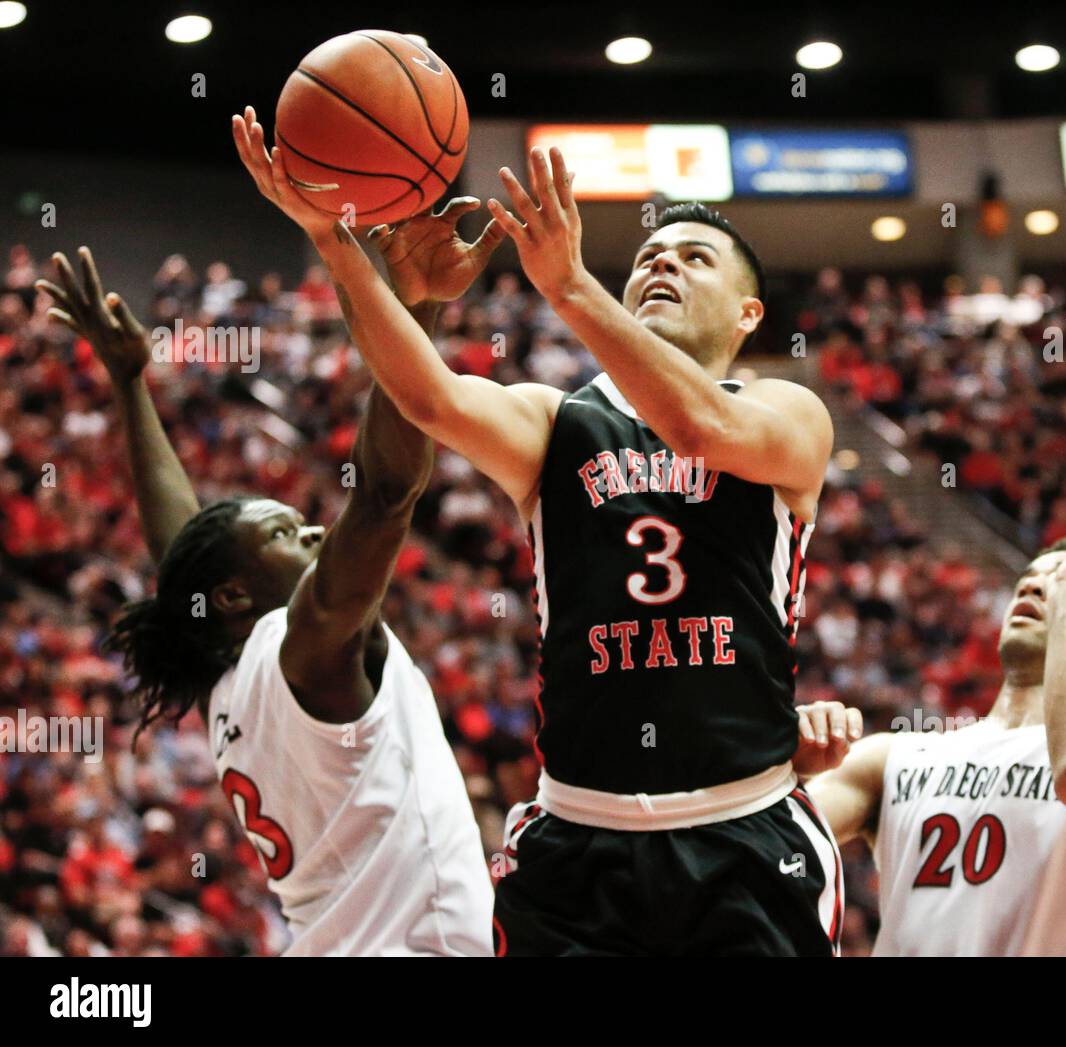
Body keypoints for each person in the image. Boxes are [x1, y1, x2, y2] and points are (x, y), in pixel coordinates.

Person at [232, 112, 845, 954]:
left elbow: (702, 430)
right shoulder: (558, 421)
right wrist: (334, 242)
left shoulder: (786, 411)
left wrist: (570, 288)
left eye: (694, 257)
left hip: (743, 829)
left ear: (748, 313)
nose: (662, 262)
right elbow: (431, 400)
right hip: (576, 840)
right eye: (646, 259)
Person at [36, 227, 496, 955]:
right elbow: (382, 494)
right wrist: (417, 310)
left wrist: (130, 382)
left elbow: (179, 548)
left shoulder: (229, 677)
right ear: (233, 597)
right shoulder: (303, 647)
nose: (314, 532)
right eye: (285, 532)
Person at [809, 506, 1066, 955]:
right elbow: (766, 834)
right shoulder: (890, 757)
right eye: (1030, 576)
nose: (1033, 583)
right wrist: (789, 762)